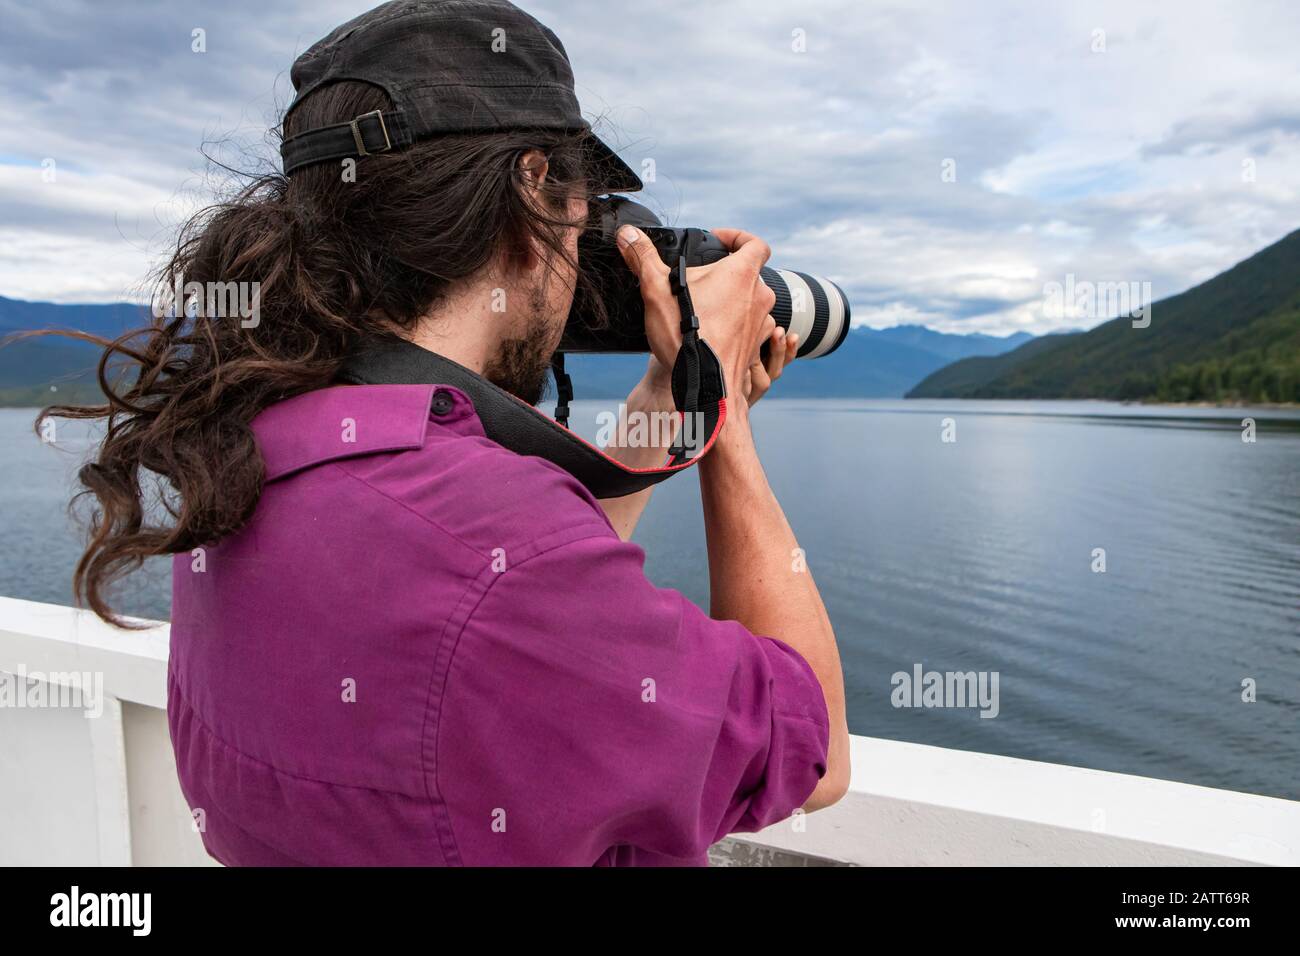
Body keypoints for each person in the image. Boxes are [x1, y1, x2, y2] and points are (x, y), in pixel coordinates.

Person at [46, 0, 849, 866]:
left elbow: (511, 585)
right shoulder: (507, 554)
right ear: (530, 192)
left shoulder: (246, 452)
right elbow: (814, 753)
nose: (582, 258)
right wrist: (719, 409)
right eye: (583, 217)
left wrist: (673, 389)